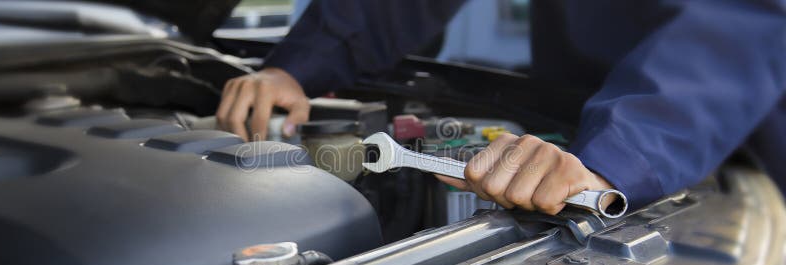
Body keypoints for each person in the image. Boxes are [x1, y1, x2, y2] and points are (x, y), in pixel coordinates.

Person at [216, 0, 786, 214]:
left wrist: (616, 160)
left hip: (722, 147)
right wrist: (297, 66)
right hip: (574, 129)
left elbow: (734, 29)